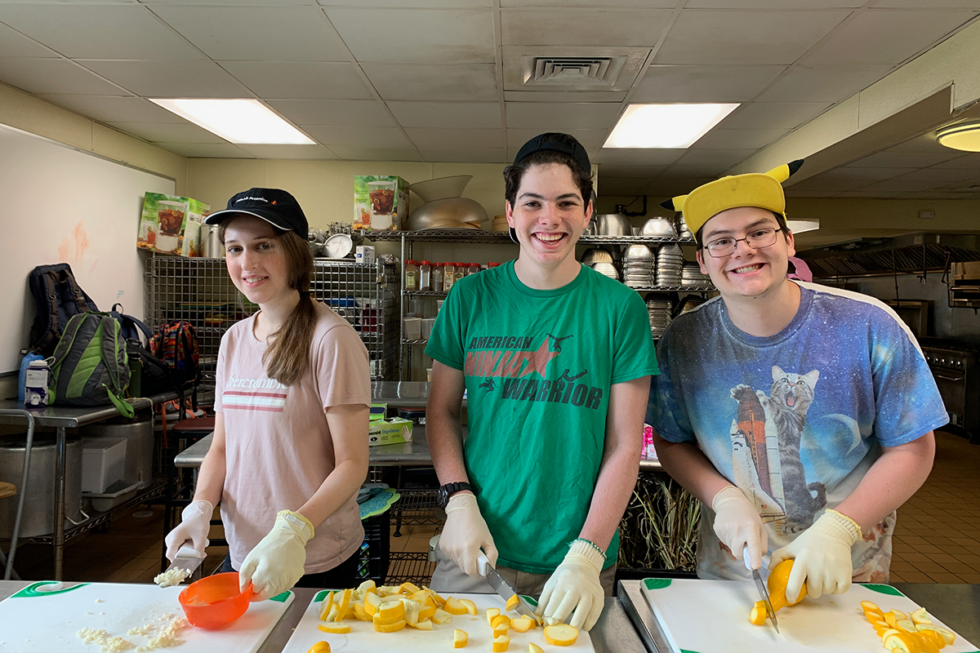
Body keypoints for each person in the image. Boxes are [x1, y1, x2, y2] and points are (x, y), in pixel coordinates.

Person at [648, 162, 946, 604]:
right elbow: (673, 442)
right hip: (734, 573)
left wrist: (839, 528)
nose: (743, 250)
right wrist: (724, 497)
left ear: (788, 241)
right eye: (721, 241)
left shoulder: (868, 325)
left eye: (760, 232)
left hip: (846, 568)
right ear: (703, 260)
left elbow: (913, 448)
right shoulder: (685, 339)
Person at [425, 133, 658, 631]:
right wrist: (458, 500)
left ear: (587, 211)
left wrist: (588, 553)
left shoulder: (621, 309)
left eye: (566, 203)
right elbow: (441, 412)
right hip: (475, 547)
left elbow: (624, 445)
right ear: (510, 212)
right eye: (532, 203)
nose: (549, 219)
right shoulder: (470, 298)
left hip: (574, 557)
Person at [164, 188, 371, 600]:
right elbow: (222, 448)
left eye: (263, 246)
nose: (247, 263)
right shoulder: (234, 340)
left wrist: (294, 532)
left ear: (294, 253)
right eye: (234, 248)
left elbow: (352, 464)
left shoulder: (331, 338)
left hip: (313, 558)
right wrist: (201, 507)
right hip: (244, 553)